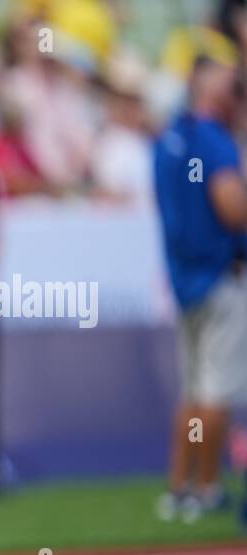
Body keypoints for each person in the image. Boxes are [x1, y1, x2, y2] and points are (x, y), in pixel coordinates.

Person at [153, 54, 247, 522]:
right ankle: (207, 486)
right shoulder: (213, 141)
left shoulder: (171, 137)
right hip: (219, 274)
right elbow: (230, 206)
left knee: (192, 390)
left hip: (183, 277)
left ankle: (179, 487)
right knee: (215, 391)